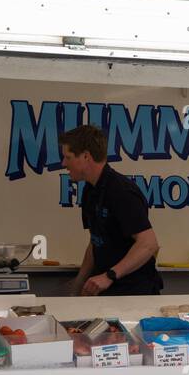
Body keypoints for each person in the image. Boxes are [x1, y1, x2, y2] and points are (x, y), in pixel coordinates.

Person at [59, 124, 162, 296]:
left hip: (133, 293)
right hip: (107, 292)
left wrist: (109, 276)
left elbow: (148, 244)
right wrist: (79, 284)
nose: (63, 163)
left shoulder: (121, 191)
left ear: (85, 156)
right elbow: (95, 242)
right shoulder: (90, 191)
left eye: (67, 157)